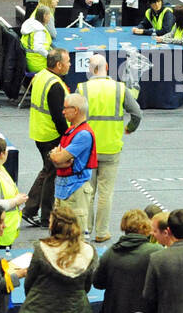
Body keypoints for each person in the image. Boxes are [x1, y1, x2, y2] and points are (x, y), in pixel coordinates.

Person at [77, 54, 142, 242]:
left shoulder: (82, 88)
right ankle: (102, 232)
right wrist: (129, 129)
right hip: (111, 148)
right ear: (106, 66)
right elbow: (137, 114)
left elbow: (71, 115)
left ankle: (85, 230)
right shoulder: (120, 88)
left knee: (87, 191)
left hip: (87, 149)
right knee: (106, 193)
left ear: (90, 69)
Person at [26, 48, 71, 228]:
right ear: (59, 65)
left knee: (47, 170)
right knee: (52, 174)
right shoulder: (55, 85)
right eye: (67, 62)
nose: (70, 65)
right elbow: (58, 117)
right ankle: (45, 216)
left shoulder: (41, 75)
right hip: (51, 135)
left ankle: (30, 210)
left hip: (39, 131)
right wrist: (67, 137)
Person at [49, 92, 96, 228]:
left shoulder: (83, 134)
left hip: (75, 191)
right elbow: (57, 158)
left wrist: (57, 157)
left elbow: (58, 157)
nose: (62, 112)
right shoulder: (71, 131)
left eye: (65, 108)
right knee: (59, 234)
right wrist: (57, 158)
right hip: (63, 190)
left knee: (74, 236)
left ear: (75, 110)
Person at [20, 4, 54, 73]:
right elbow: (37, 48)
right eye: (49, 15)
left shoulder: (31, 24)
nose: (50, 17)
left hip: (30, 59)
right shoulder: (39, 30)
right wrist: (49, 57)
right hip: (38, 63)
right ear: (44, 16)